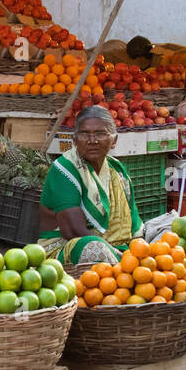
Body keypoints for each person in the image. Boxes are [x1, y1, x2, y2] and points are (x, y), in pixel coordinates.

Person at [38, 106, 143, 266]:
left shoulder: (117, 170)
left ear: (114, 140)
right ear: (74, 140)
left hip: (119, 248)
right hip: (67, 248)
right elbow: (73, 231)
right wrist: (125, 260)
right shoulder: (65, 170)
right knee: (94, 247)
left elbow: (134, 222)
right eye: (85, 134)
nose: (92, 141)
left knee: (169, 232)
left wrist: (142, 249)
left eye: (100, 134)